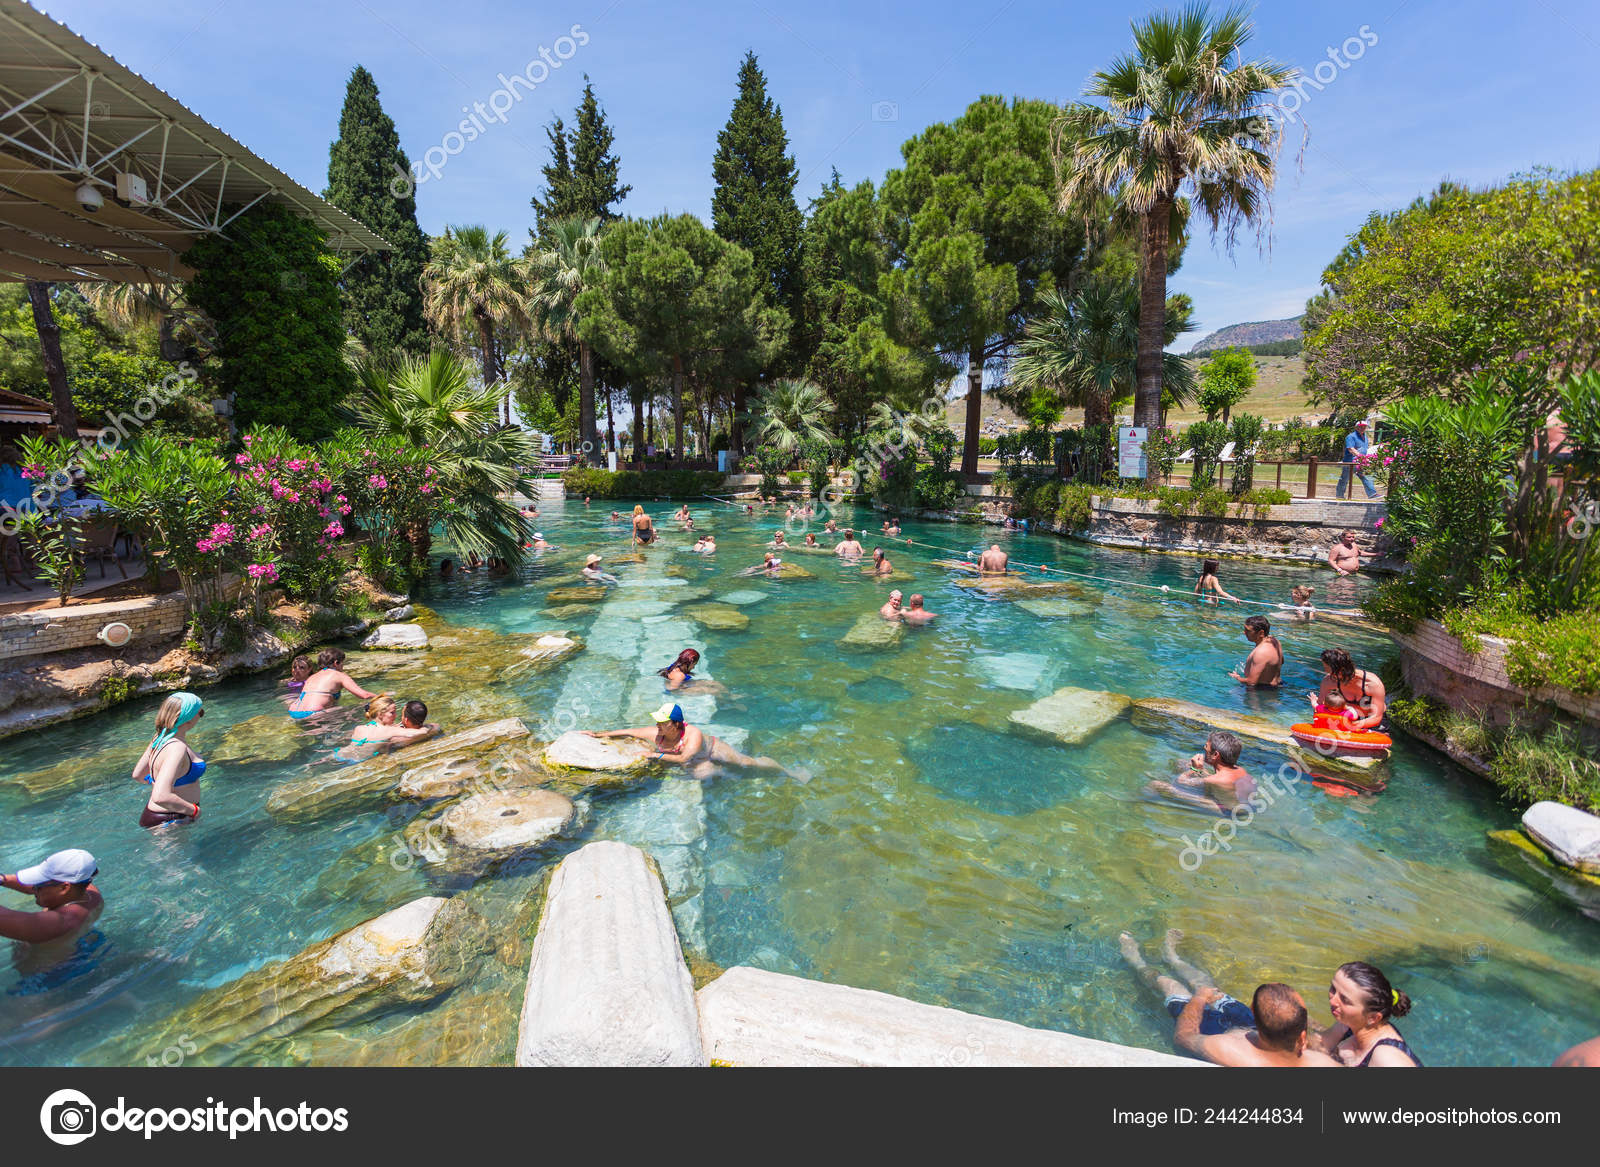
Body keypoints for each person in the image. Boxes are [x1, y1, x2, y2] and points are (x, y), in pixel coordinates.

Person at [1120, 930, 1339, 1067]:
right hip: (1253, 1028)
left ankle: (1137, 961)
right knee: (1208, 984)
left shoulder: (1230, 1050)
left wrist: (1199, 1000)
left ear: (1253, 1011)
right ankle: (1173, 958)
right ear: (1302, 1036)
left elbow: (1184, 1037)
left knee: (1171, 986)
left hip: (1211, 1028)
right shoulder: (1320, 1062)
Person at [585, 703, 788, 781]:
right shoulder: (657, 733)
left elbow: (684, 756)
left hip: (710, 749)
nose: (658, 725)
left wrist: (653, 755)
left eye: (663, 722)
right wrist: (598, 734)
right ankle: (726, 774)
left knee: (746, 763)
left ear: (675, 724)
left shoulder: (693, 734)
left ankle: (787, 771)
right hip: (697, 761)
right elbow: (631, 732)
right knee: (705, 774)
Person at [1308, 961, 1423, 1067]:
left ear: (1373, 1018)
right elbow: (1318, 1045)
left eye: (1345, 1000)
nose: (1332, 1001)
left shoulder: (1387, 1058)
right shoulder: (1349, 1023)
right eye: (1333, 988)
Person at [132, 692, 206, 827]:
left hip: (157, 815)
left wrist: (161, 781)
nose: (200, 716)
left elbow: (138, 775)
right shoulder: (177, 748)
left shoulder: (160, 738)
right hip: (171, 820)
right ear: (188, 717)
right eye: (200, 712)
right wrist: (194, 811)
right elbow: (160, 796)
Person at [0, 850, 102, 945]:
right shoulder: (91, 893)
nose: (33, 886)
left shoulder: (58, 922)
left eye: (39, 883)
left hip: (52, 964)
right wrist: (3, 879)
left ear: (64, 888)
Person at [1148, 730, 1256, 814]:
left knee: (1157, 785)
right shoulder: (1240, 770)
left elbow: (1180, 781)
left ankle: (1139, 801)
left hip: (1229, 812)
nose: (1204, 749)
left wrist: (1194, 770)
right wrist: (1198, 770)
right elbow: (1222, 781)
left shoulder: (1214, 780)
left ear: (1215, 755)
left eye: (1206, 747)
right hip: (1244, 807)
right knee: (1182, 763)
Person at [336, 696, 438, 764]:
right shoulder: (389, 731)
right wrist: (425, 727)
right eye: (392, 713)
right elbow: (421, 732)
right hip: (353, 762)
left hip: (339, 755)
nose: (395, 715)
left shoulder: (359, 728)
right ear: (380, 714)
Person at [289, 649, 377, 718]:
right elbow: (364, 695)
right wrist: (384, 697)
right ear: (336, 663)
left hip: (294, 712)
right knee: (360, 708)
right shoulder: (339, 675)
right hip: (313, 713)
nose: (343, 666)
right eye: (342, 663)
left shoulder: (312, 677)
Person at [1315, 647, 1387, 732]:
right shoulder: (1329, 681)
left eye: (1329, 670)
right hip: (1346, 721)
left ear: (1341, 670)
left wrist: (1351, 725)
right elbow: (1319, 709)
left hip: (1371, 723)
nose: (1327, 673)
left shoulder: (1372, 684)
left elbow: (1376, 717)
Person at [1229, 615, 1282, 687]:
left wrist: (1237, 677)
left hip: (1262, 691)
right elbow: (1281, 661)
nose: (1244, 633)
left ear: (1261, 633)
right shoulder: (1274, 641)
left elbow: (1251, 682)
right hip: (1276, 685)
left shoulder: (1261, 652)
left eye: (1248, 631)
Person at [1337, 419, 1378, 499]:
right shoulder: (1351, 436)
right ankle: (1339, 495)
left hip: (1361, 462)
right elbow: (1351, 449)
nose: (1362, 428)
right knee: (1344, 479)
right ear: (1356, 427)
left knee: (1366, 476)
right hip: (1350, 462)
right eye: (1360, 426)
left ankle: (1372, 494)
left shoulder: (1365, 437)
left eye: (1364, 427)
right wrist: (1361, 456)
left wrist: (1365, 458)